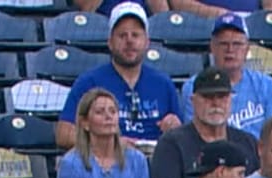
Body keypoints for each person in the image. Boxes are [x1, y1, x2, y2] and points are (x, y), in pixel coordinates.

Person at [55, 3, 181, 149]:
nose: (129, 41)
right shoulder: (89, 82)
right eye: (122, 35)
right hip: (106, 163)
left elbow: (184, 139)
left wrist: (175, 128)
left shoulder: (163, 84)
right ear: (110, 42)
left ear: (147, 42)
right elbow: (63, 134)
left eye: (135, 35)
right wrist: (110, 143)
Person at [149, 67, 259, 178]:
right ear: (193, 101)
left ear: (231, 100)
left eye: (222, 96)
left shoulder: (247, 142)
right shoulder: (172, 143)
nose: (216, 103)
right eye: (208, 97)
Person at [178, 15, 272, 137]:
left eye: (237, 44)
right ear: (212, 47)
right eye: (223, 44)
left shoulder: (267, 86)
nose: (230, 50)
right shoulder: (193, 87)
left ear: (247, 48)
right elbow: (193, 137)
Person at [57, 88, 153, 178]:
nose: (108, 116)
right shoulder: (71, 163)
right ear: (85, 123)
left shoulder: (137, 160)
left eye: (113, 111)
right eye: (99, 112)